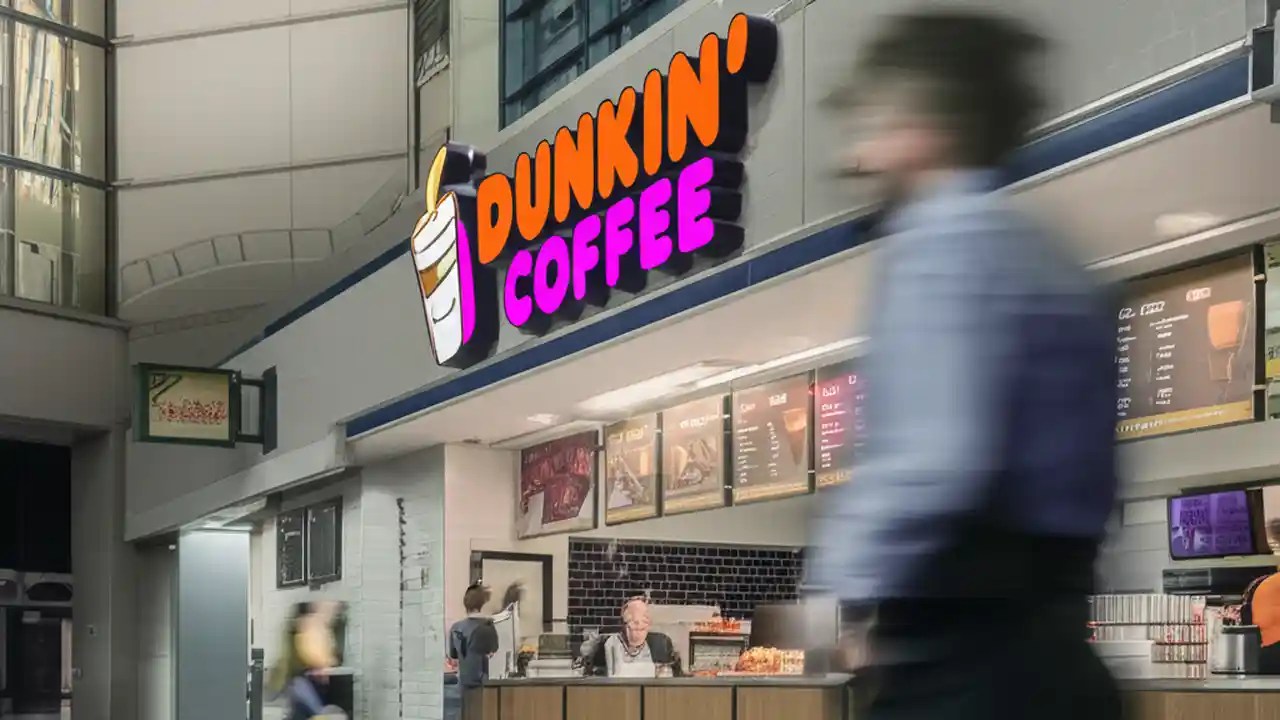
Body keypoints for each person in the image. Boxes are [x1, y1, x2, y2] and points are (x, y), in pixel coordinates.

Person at [808, 10, 1121, 720]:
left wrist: (845, 588)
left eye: (873, 126)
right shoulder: (1058, 261)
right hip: (1064, 662)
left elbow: (932, 461)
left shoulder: (937, 243)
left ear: (923, 126)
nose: (858, 158)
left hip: (958, 665)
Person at [268, 601, 348, 720]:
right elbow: (313, 655)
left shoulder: (320, 626)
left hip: (308, 682)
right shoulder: (308, 625)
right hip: (304, 681)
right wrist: (325, 664)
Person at [598, 597, 680, 677]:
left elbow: (668, 675)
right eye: (633, 620)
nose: (639, 625)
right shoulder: (612, 643)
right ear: (623, 623)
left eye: (644, 620)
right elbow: (612, 679)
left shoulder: (659, 645)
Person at [448, 584, 501, 689]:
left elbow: (453, 655)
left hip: (462, 684)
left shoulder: (455, 627)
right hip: (482, 685)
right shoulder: (487, 627)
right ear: (483, 604)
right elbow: (495, 652)